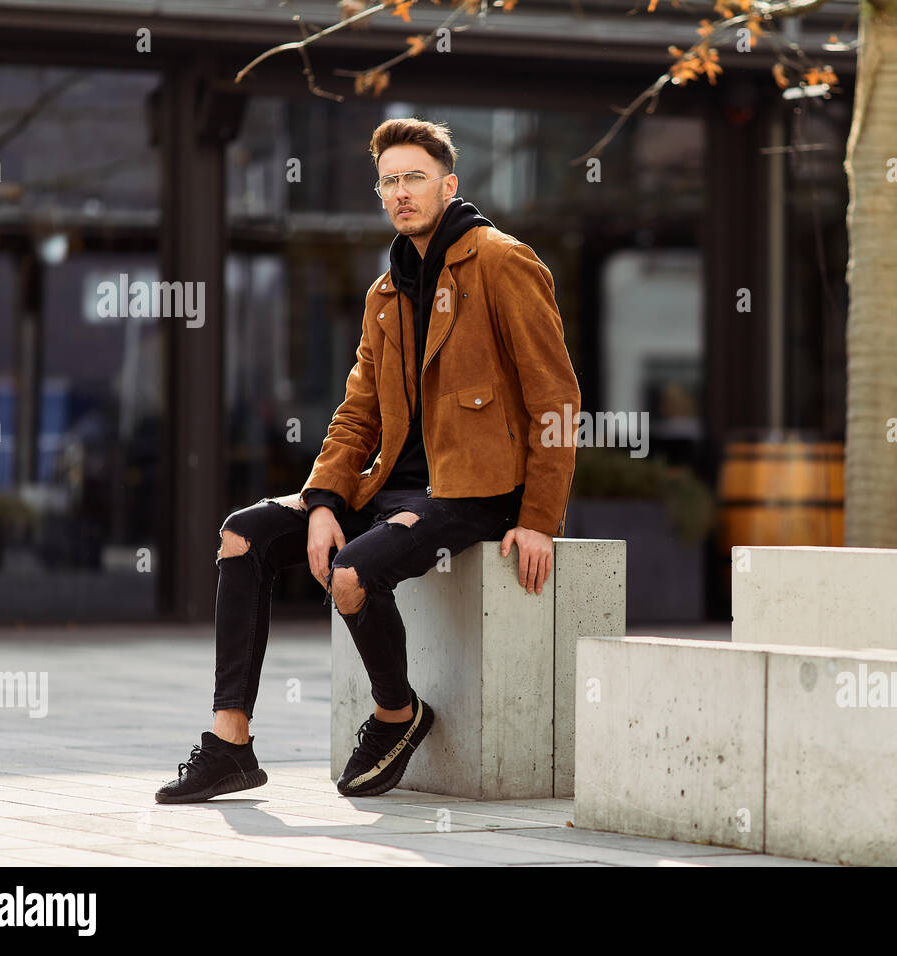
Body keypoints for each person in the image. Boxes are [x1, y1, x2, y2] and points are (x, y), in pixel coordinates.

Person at [156, 117, 580, 803]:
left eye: (415, 178)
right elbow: (357, 414)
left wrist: (539, 518)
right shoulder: (384, 295)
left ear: (449, 184)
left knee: (350, 574)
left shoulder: (501, 261)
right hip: (394, 490)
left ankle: (397, 714)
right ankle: (230, 744)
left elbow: (556, 395)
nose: (402, 192)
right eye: (389, 182)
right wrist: (324, 501)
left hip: (474, 492)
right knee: (245, 533)